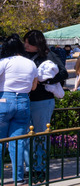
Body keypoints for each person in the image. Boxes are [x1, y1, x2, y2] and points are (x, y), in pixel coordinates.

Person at [23, 29, 68, 175]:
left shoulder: (48, 55)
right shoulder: (24, 56)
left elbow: (63, 72)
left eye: (29, 43)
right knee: (25, 136)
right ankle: (30, 167)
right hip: (26, 99)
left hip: (42, 100)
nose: (26, 45)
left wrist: (46, 81)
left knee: (40, 134)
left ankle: (40, 167)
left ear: (37, 44)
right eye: (25, 42)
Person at [0, 37, 38, 182]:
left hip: (4, 99)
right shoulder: (31, 63)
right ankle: (19, 178)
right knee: (18, 142)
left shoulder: (5, 62)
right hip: (23, 101)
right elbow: (34, 86)